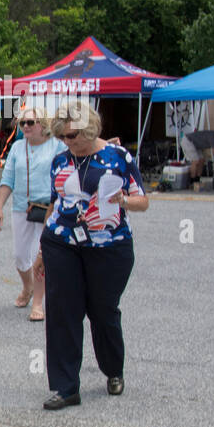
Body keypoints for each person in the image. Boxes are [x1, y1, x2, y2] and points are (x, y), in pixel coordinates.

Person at [36, 100, 148, 410]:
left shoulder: (118, 157)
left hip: (109, 246)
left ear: (91, 129)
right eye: (63, 137)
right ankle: (65, 387)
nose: (68, 143)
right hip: (62, 243)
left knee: (103, 311)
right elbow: (55, 205)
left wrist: (123, 199)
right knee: (62, 311)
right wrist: (42, 250)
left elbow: (143, 201)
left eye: (73, 136)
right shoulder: (60, 162)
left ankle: (113, 369)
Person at [0, 106, 63, 322]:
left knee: (38, 256)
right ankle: (28, 287)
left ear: (44, 124)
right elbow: (8, 179)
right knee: (20, 256)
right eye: (23, 123)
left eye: (31, 122)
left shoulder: (57, 146)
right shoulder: (17, 147)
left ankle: (39, 303)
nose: (25, 127)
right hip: (22, 207)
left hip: (49, 209)